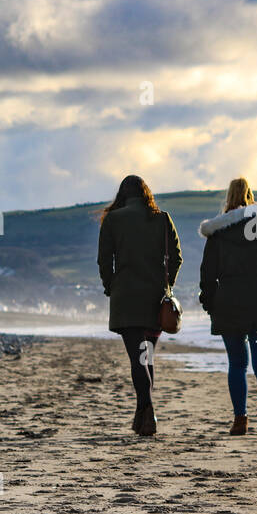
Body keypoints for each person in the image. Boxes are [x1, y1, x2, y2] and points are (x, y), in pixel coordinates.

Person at [198, 177, 257, 438]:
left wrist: (210, 304)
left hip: (230, 304)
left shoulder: (217, 234)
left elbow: (207, 274)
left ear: (228, 198)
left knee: (237, 364)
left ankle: (240, 419)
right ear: (251, 196)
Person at [97, 175, 181, 436]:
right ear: (146, 193)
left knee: (138, 359)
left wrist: (111, 286)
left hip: (126, 299)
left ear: (122, 194)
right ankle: (142, 416)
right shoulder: (162, 218)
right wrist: (168, 286)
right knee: (147, 357)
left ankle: (148, 412)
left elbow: (103, 261)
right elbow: (176, 258)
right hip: (154, 299)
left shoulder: (112, 220)